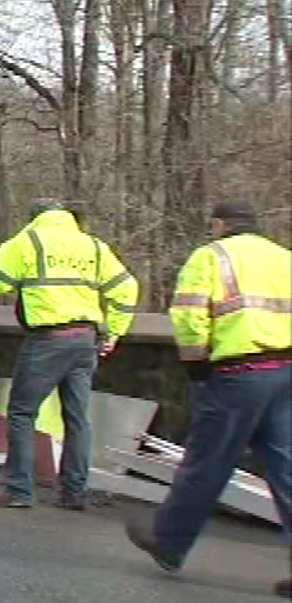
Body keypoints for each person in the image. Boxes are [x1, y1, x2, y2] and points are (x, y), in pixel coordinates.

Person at [126, 202, 290, 597]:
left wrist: (197, 368)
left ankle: (168, 541)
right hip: (285, 372)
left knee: (207, 461)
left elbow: (189, 316)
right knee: (286, 466)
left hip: (238, 372)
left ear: (219, 224)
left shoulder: (210, 257)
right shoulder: (283, 258)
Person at [0, 198, 138, 509]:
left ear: (34, 218)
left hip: (47, 340)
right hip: (85, 340)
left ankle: (19, 490)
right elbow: (127, 288)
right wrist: (114, 332)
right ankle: (73, 493)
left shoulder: (26, 242)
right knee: (77, 417)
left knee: (22, 413)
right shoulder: (93, 246)